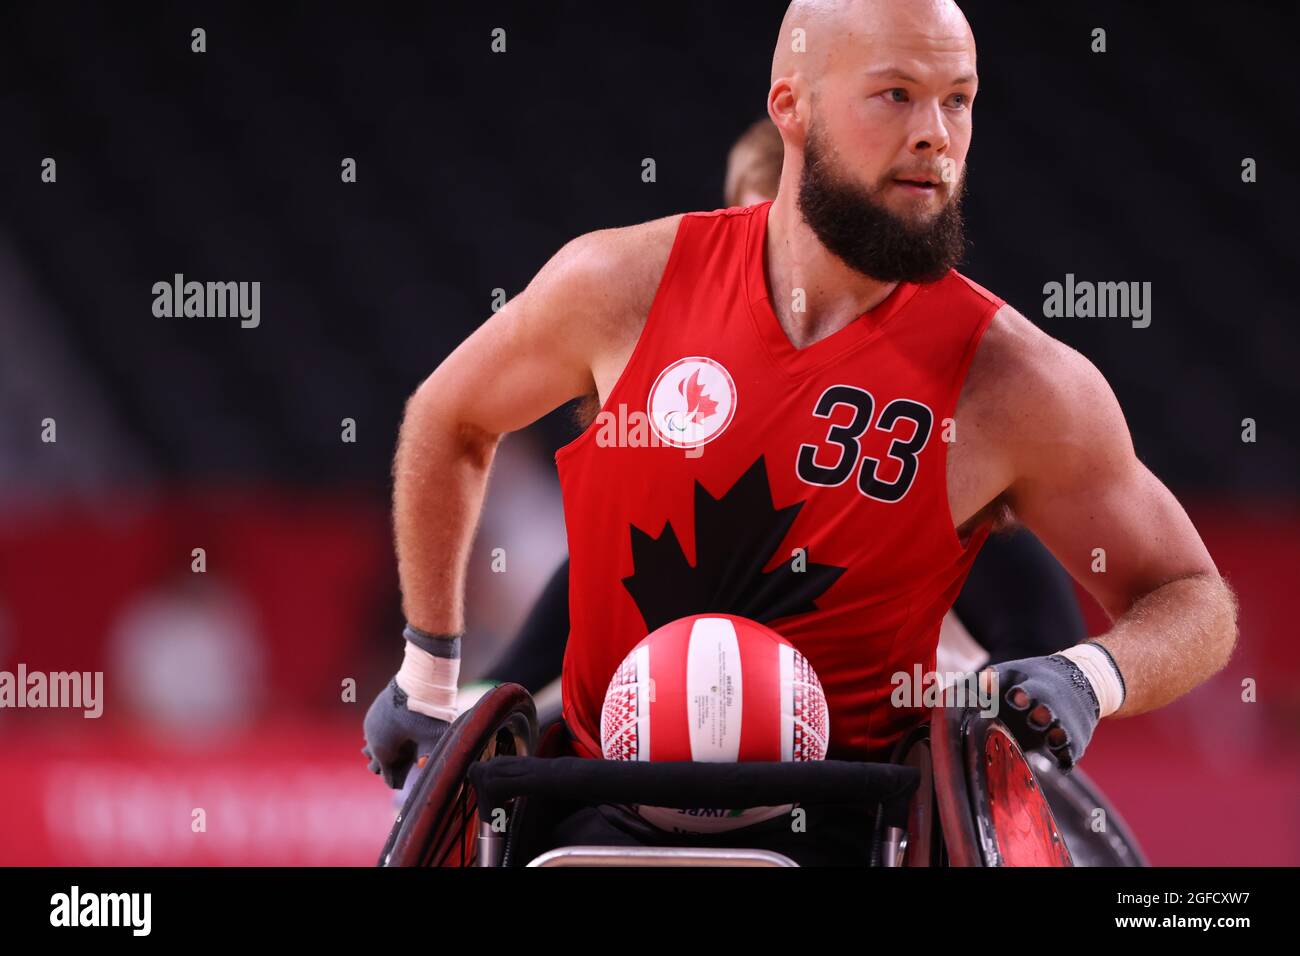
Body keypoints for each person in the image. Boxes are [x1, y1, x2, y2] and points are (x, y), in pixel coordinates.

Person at [364, 0, 1238, 863]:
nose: (936, 134)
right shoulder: (623, 281)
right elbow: (451, 416)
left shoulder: (1019, 383)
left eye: (958, 99)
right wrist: (429, 668)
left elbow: (1191, 597)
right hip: (591, 807)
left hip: (862, 827)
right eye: (895, 94)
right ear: (792, 105)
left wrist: (1090, 676)